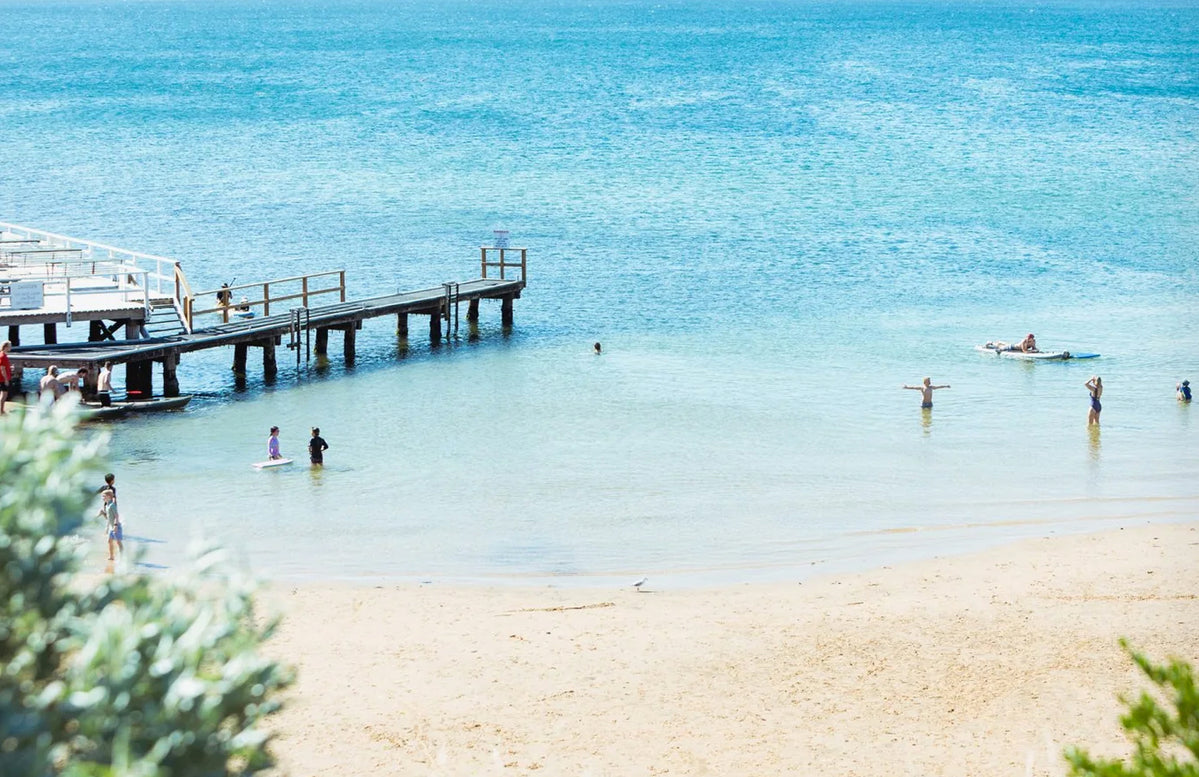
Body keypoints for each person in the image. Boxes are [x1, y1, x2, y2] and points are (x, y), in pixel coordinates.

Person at [98, 488, 123, 561]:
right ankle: (112, 556)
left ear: (109, 497)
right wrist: (103, 514)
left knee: (118, 542)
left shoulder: (112, 505)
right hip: (112, 528)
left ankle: (122, 557)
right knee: (109, 541)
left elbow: (116, 516)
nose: (102, 498)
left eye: (104, 496)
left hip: (116, 527)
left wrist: (115, 525)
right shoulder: (107, 505)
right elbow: (109, 517)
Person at [0, 340, 12, 415]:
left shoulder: (3, 355)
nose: (10, 348)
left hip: (4, 377)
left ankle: (2, 409)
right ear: (6, 347)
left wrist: (10, 368)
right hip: (2, 379)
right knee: (4, 394)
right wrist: (6, 379)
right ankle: (1, 410)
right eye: (10, 346)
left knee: (3, 394)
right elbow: (2, 368)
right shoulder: (2, 356)